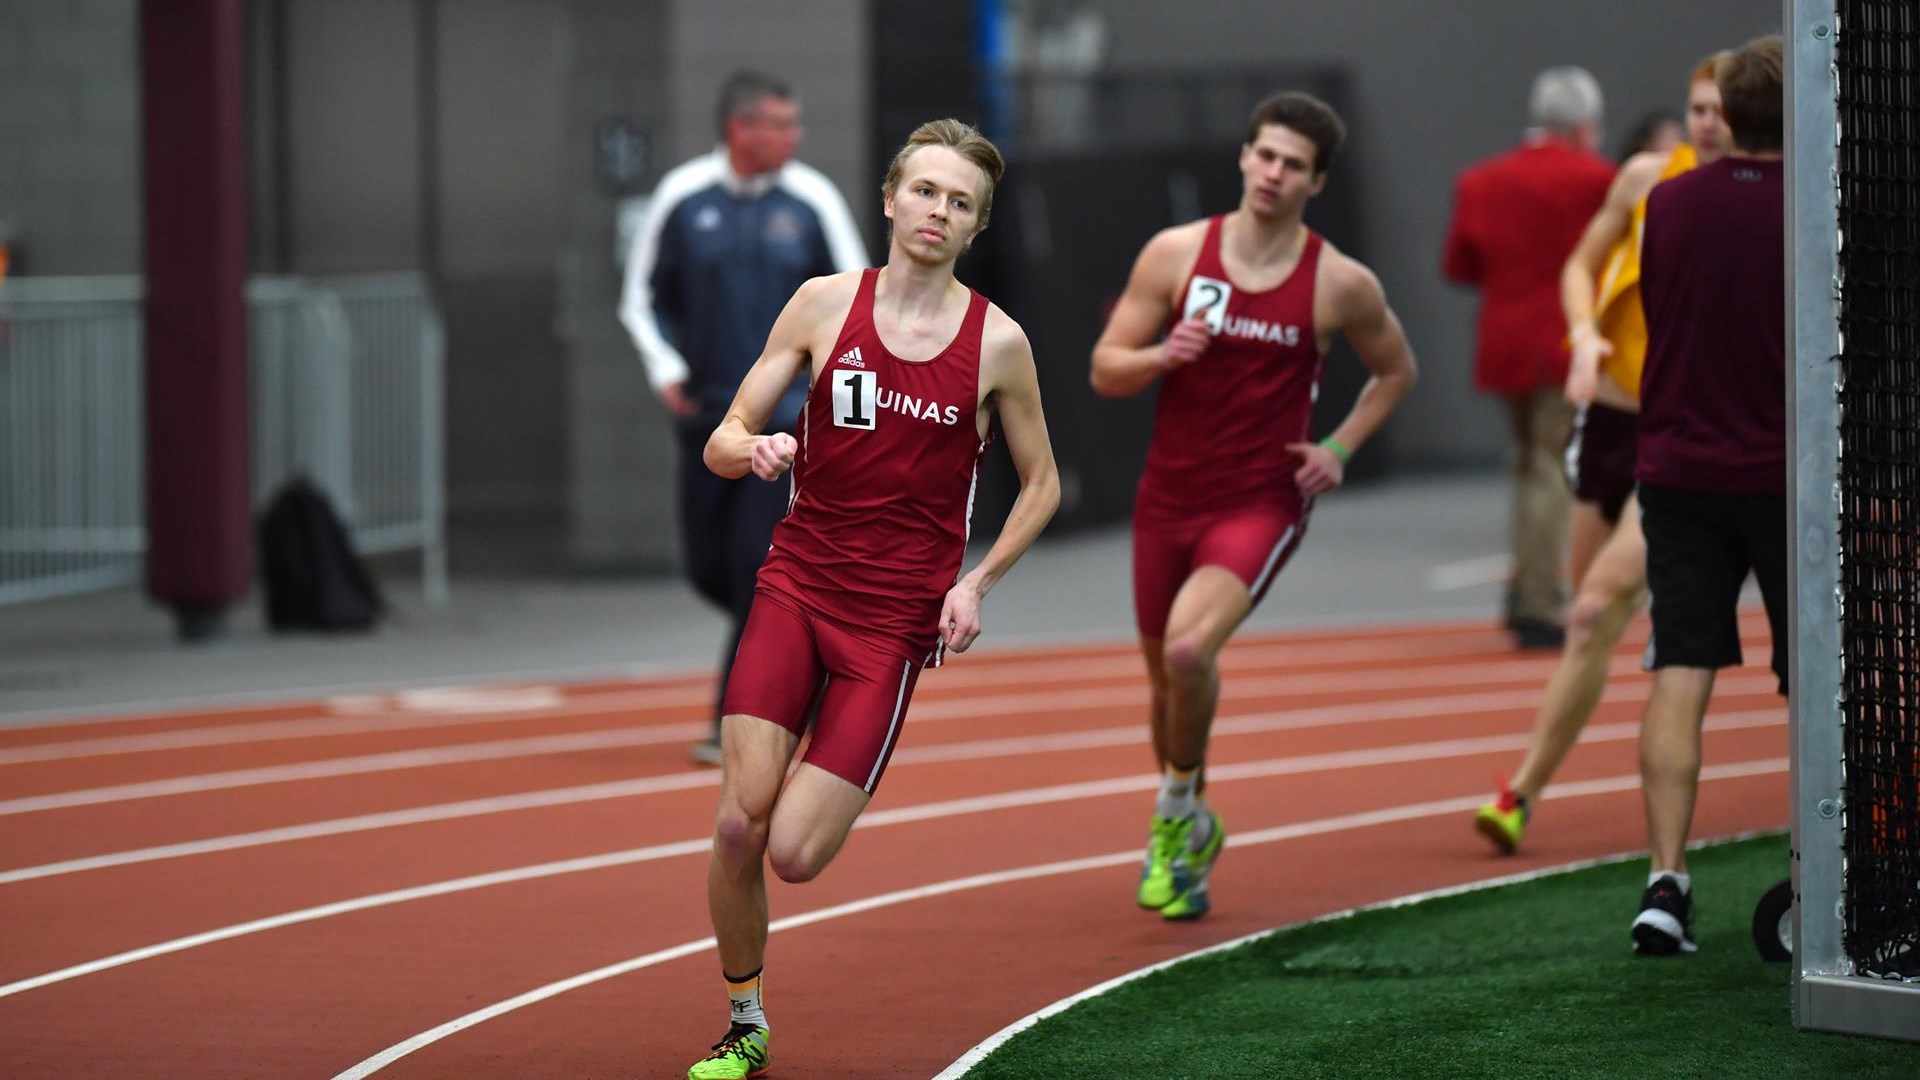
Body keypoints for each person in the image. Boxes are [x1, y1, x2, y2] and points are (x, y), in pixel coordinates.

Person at [687, 119, 1060, 1078]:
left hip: (890, 624)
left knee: (795, 854)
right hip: (797, 584)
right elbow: (723, 437)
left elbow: (1043, 483)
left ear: (976, 228)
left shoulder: (998, 344)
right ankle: (745, 1020)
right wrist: (759, 446)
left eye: (961, 202)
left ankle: (833, 755)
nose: (939, 212)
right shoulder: (821, 306)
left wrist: (975, 583)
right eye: (926, 192)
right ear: (891, 199)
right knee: (738, 822)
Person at [1091, 92, 1417, 921]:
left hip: (1259, 500)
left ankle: (1170, 820)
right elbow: (1105, 369)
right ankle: (1196, 816)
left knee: (1191, 652)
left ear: (1316, 181)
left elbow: (1396, 371)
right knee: (1165, 688)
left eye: (1294, 165)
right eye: (1265, 155)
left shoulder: (1338, 282)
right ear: (1243, 158)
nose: (1275, 173)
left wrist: (1338, 448)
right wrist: (1164, 354)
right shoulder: (1174, 256)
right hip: (1167, 497)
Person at [1474, 55, 1731, 854]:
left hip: (1680, 430)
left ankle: (1521, 790)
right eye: (1696, 107)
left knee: (1590, 610)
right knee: (1592, 621)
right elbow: (1581, 266)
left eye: (1722, 109)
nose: (1708, 123)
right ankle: (1525, 789)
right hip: (1610, 426)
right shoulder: (1644, 180)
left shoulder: (1762, 197)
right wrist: (1583, 334)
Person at [619, 70, 869, 765]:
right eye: (781, 124)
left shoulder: (812, 198)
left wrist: (835, 398)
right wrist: (664, 368)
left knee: (755, 566)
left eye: (795, 124)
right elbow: (640, 297)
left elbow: (857, 300)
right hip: (706, 416)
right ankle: (809, 665)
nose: (794, 137)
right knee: (710, 569)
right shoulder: (681, 197)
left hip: (787, 423)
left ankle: (738, 716)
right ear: (741, 130)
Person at [1627, 35, 1786, 955]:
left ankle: (1665, 883)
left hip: (1679, 471)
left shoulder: (1668, 201)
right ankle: (1830, 872)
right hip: (1782, 479)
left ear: (1724, 110)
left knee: (1680, 671)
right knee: (1821, 683)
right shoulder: (1814, 207)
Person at [1443, 67, 1617, 649]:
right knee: (1548, 470)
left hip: (1504, 343)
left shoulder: (1481, 181)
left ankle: (1524, 592)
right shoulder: (1599, 181)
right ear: (1584, 125)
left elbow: (1460, 266)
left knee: (1526, 465)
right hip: (1564, 344)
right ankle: (1541, 602)